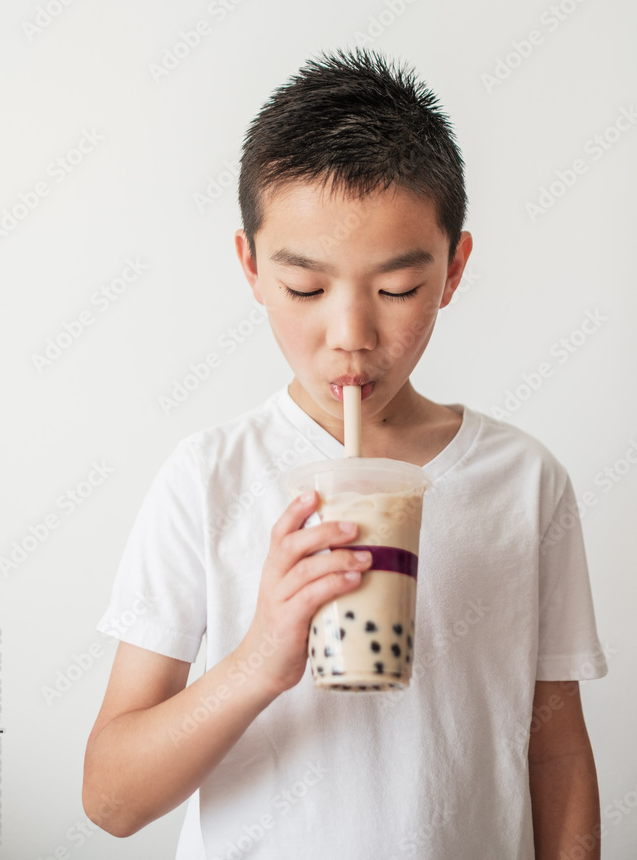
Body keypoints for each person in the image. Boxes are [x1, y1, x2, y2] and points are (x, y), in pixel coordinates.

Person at [82, 49, 608, 859]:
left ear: (452, 269)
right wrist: (258, 658)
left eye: (396, 290)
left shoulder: (524, 483)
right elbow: (112, 800)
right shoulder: (208, 478)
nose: (351, 337)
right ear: (251, 268)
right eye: (304, 289)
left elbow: (555, 749)